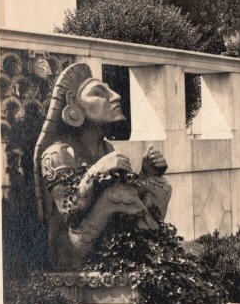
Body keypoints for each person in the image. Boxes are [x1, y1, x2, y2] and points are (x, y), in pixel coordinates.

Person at [33, 62, 171, 270]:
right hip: (70, 251)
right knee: (116, 194)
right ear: (74, 103)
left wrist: (146, 174)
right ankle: (156, 251)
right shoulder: (56, 153)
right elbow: (69, 211)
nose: (116, 96)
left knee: (159, 184)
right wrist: (97, 171)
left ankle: (152, 250)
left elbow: (129, 199)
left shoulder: (106, 148)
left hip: (108, 241)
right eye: (98, 93)